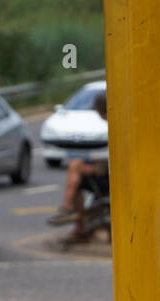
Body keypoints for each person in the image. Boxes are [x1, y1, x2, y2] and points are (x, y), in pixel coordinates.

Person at [48, 90, 107, 242]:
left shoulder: (113, 126)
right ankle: (74, 218)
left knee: (76, 169)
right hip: (107, 170)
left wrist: (97, 167)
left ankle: (69, 211)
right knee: (76, 168)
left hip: (112, 176)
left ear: (102, 110)